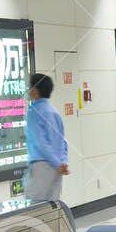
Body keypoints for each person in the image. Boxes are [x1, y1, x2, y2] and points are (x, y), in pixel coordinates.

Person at [24, 72, 68, 201]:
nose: (28, 90)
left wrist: (56, 162)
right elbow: (63, 142)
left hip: (42, 167)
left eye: (30, 87)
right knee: (53, 208)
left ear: (36, 90)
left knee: (34, 210)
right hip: (57, 169)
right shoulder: (54, 112)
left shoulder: (34, 112)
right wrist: (62, 163)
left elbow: (40, 142)